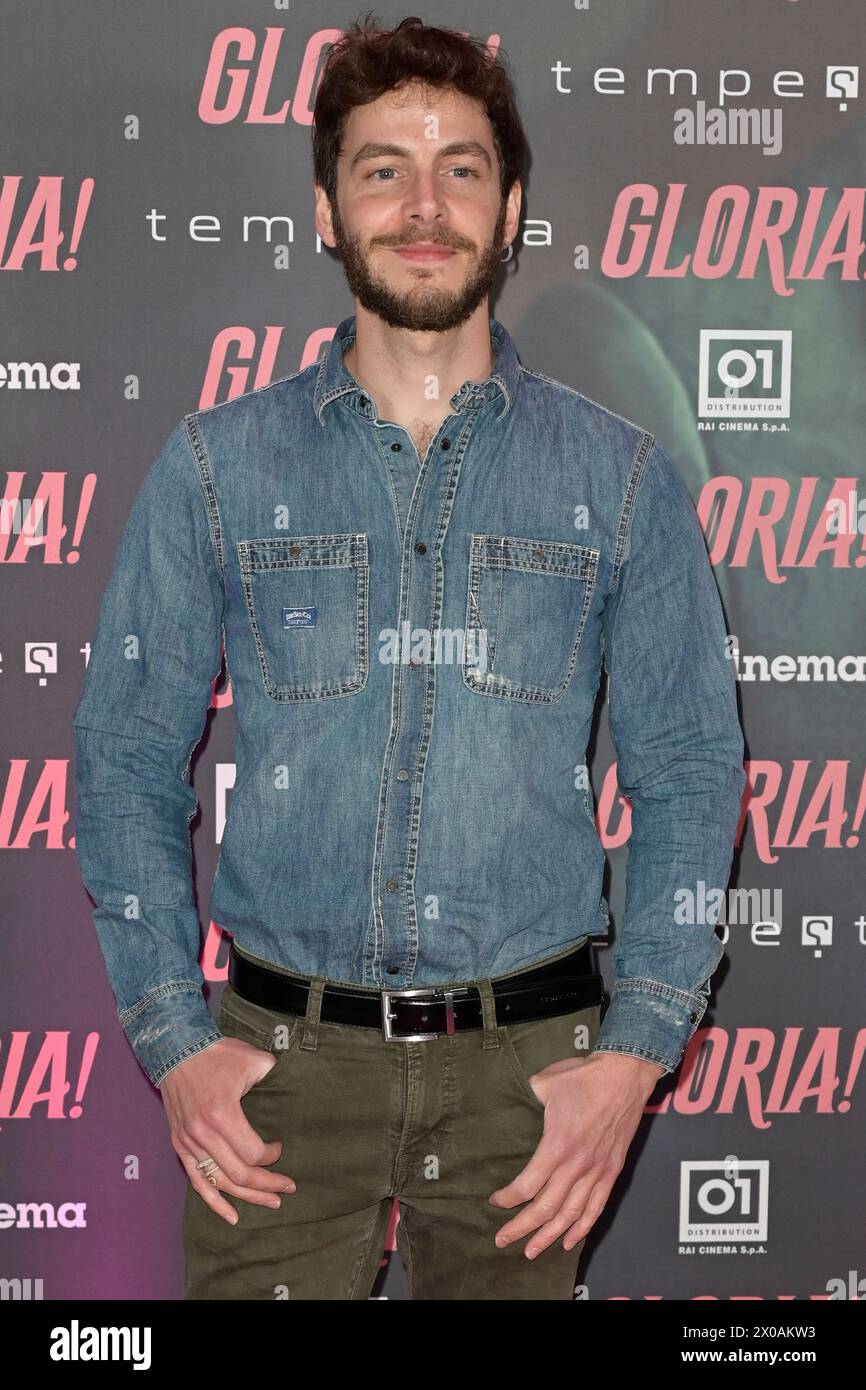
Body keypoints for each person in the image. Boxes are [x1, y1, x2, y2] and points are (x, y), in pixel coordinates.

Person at [72, 14, 746, 1301]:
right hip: (277, 1079)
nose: (422, 205)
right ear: (327, 210)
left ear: (512, 209)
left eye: (460, 169)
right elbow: (122, 755)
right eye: (382, 168)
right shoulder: (217, 467)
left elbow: (689, 769)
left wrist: (632, 1057)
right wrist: (174, 1036)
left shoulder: (618, 479)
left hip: (527, 1083)